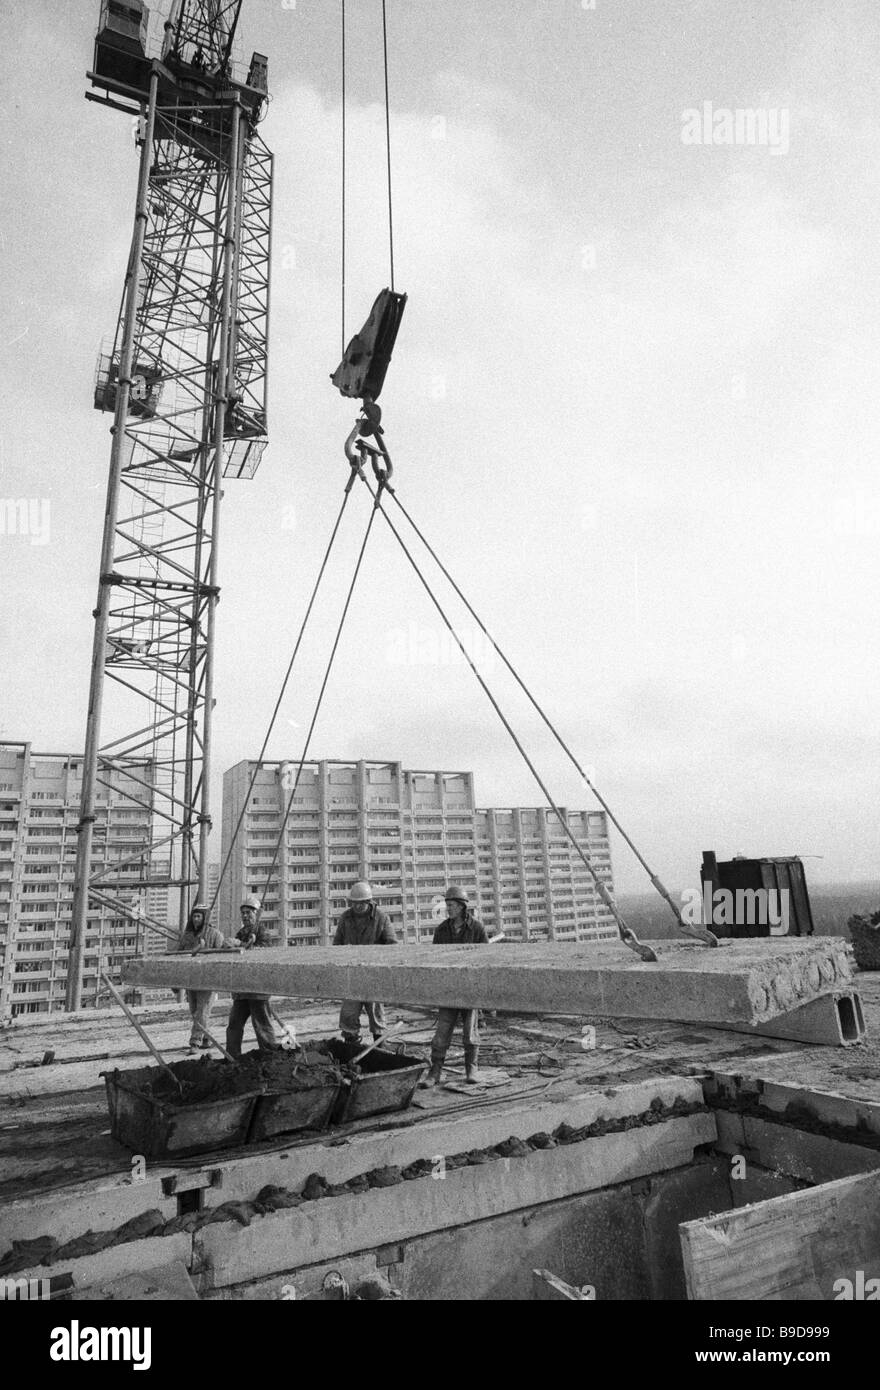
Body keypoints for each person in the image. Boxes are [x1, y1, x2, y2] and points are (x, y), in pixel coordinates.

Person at [419, 885, 488, 1089]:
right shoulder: (441, 930)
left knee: (470, 1033)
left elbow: (485, 959)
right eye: (447, 905)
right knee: (441, 1034)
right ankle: (435, 1072)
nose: (448, 909)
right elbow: (436, 960)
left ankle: (471, 1069)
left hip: (469, 989)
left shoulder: (476, 928)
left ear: (461, 906)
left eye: (451, 905)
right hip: (448, 990)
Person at [333, 880, 397, 1044]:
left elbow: (392, 946)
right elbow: (337, 945)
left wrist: (378, 961)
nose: (357, 906)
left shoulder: (381, 918)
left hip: (373, 975)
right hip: (352, 975)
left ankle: (380, 1048)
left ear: (368, 902)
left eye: (361, 903)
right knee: (348, 1016)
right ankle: (351, 1047)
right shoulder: (345, 918)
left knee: (377, 1016)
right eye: (354, 903)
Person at [226, 895, 280, 1059]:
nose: (245, 916)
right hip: (242, 989)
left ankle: (270, 1056)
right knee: (234, 1025)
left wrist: (242, 946)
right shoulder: (241, 933)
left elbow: (262, 955)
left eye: (249, 912)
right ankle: (232, 1057)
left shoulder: (262, 933)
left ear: (257, 914)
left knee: (261, 1024)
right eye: (243, 913)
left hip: (257, 989)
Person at [177, 902, 224, 1054]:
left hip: (207, 980)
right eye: (194, 916)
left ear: (205, 918)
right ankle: (206, 1039)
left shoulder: (215, 934)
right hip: (191, 979)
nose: (196, 919)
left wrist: (205, 950)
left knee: (202, 1012)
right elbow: (179, 954)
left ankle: (195, 1042)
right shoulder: (187, 936)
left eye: (199, 916)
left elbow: (221, 956)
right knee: (194, 1011)